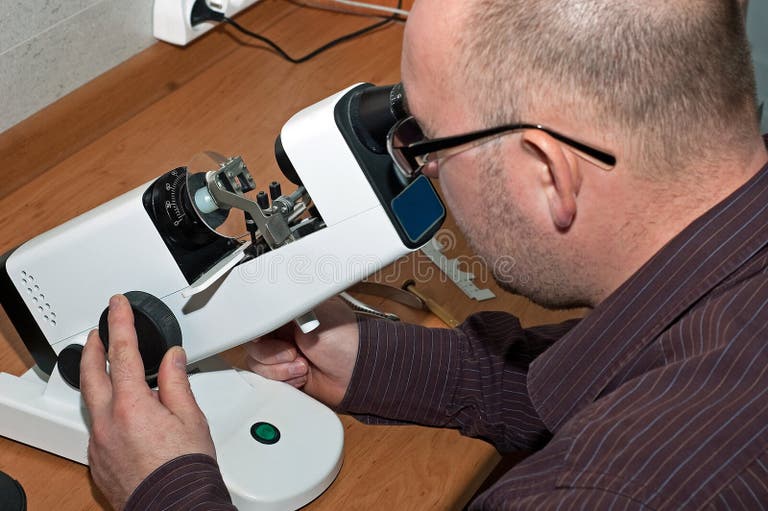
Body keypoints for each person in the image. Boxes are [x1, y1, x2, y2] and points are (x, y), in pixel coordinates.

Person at [80, 0, 768, 509]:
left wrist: (164, 490)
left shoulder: (616, 491)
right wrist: (377, 359)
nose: (426, 171)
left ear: (547, 174)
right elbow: (601, 377)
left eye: (431, 145)